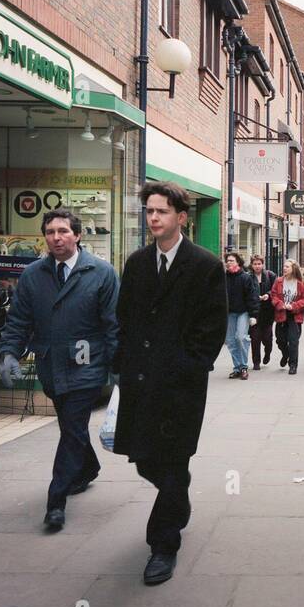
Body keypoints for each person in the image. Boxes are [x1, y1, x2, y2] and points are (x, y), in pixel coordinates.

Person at [112, 181, 228, 585]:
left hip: (180, 387)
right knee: (146, 459)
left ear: (181, 217)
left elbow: (211, 332)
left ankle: (163, 546)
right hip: (141, 384)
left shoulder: (206, 266)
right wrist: (121, 367)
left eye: (161, 211)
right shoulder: (137, 263)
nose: (153, 218)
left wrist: (187, 368)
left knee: (174, 461)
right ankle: (178, 498)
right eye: (149, 211)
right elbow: (123, 320)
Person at [0, 207, 119, 531]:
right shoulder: (33, 275)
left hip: (87, 366)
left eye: (63, 231)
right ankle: (89, 467)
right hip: (51, 366)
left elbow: (114, 325)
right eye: (50, 232)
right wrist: (9, 352)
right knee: (72, 428)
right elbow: (19, 320)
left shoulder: (101, 273)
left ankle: (56, 502)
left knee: (72, 427)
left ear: (77, 235)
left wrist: (120, 369)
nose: (56, 237)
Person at [270, 260, 304, 373]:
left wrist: (294, 306)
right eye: (284, 266)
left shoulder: (300, 283)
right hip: (281, 314)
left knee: (293, 341)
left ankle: (293, 365)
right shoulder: (278, 281)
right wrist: (280, 304)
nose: (284, 268)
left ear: (293, 268)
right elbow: (273, 296)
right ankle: (285, 354)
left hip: (294, 315)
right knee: (280, 340)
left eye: (287, 266)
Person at [224, 251, 259, 380]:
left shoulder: (245, 277)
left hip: (243, 312)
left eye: (231, 260)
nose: (228, 263)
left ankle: (244, 367)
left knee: (241, 337)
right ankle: (237, 368)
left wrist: (253, 315)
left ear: (238, 262)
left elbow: (252, 297)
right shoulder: (224, 278)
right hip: (230, 314)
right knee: (230, 341)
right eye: (227, 261)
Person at [248, 253, 276, 370]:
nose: (257, 266)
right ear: (251, 265)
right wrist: (254, 297)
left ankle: (267, 352)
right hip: (255, 312)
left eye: (259, 264)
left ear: (263, 264)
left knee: (267, 338)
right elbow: (246, 292)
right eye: (255, 264)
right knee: (255, 339)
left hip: (268, 313)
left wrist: (268, 295)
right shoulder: (248, 277)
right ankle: (256, 362)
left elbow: (275, 290)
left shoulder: (270, 275)